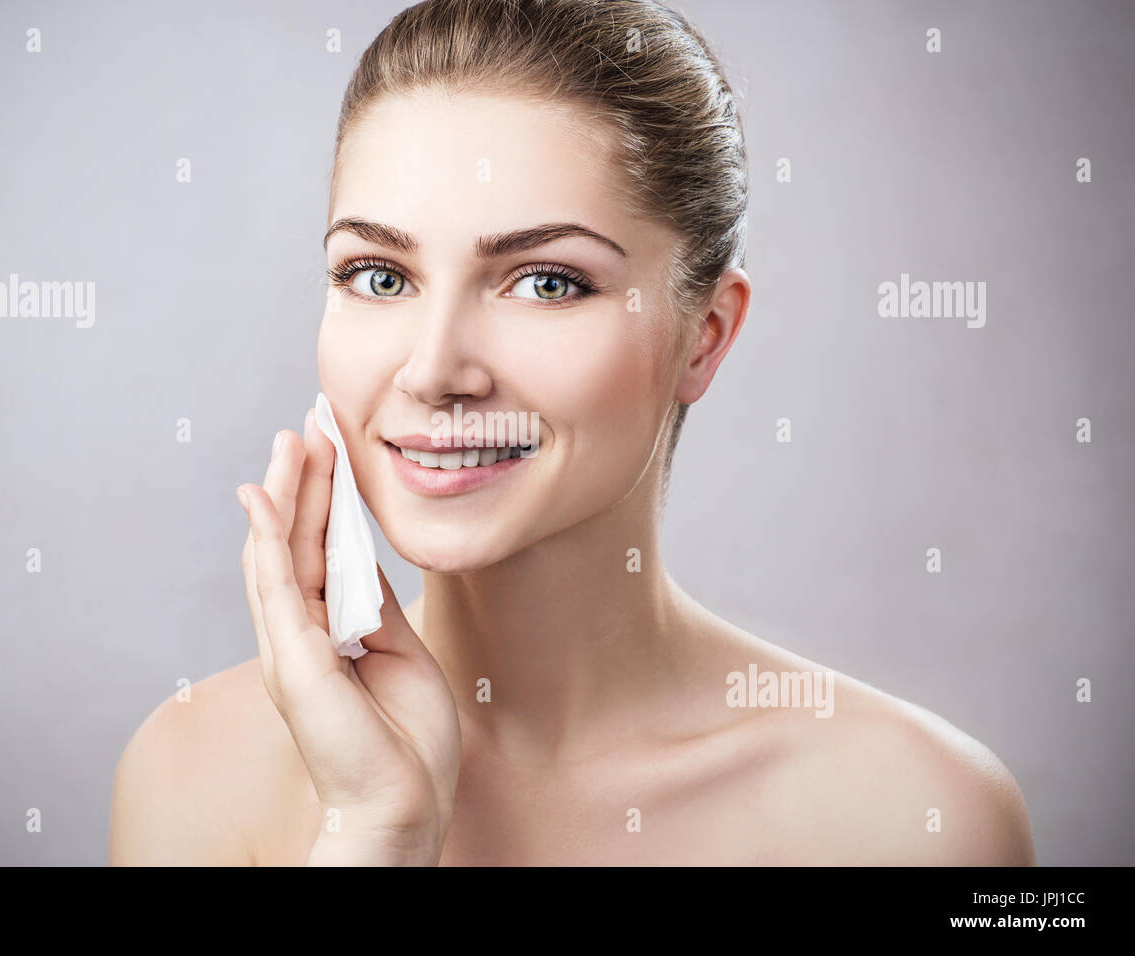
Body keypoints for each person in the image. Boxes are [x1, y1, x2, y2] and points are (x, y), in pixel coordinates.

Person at [109, 0, 1035, 865]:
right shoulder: (191, 773)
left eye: (547, 281)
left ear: (703, 337)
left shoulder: (916, 817)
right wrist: (374, 831)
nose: (434, 371)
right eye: (379, 277)